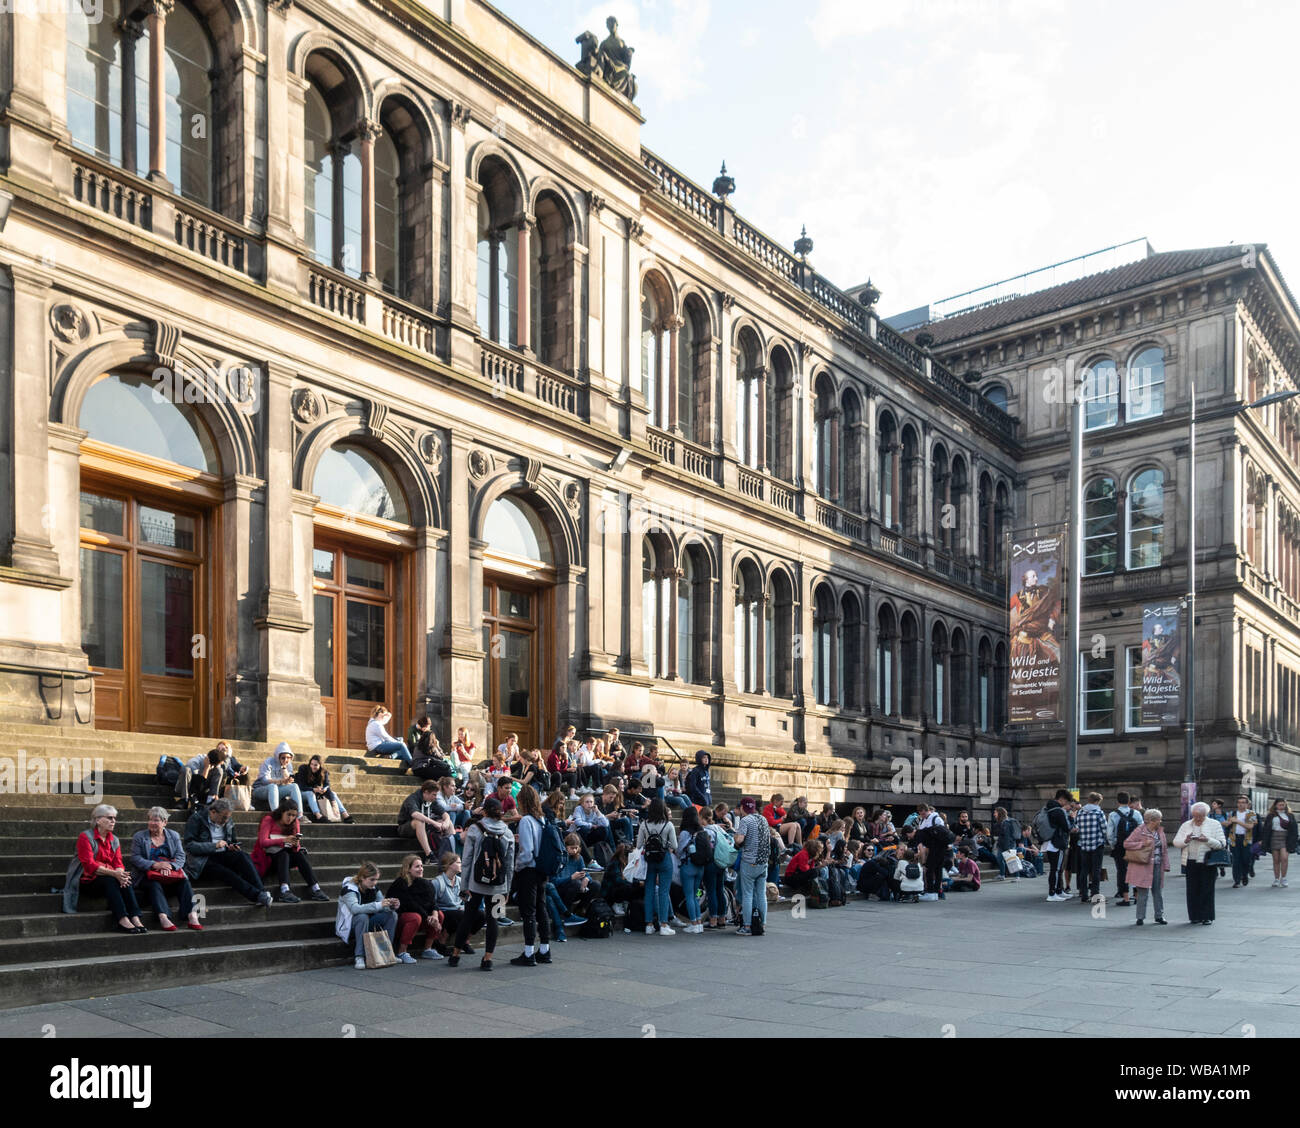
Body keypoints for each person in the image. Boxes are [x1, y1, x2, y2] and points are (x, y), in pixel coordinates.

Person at [450, 796, 515, 970]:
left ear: (484, 811)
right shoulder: (508, 832)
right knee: (494, 918)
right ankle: (488, 959)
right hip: (499, 885)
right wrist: (507, 888)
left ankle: (455, 955)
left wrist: (464, 886)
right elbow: (509, 864)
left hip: (475, 883)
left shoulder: (474, 828)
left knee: (468, 916)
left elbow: (467, 859)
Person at [183, 798, 272, 907]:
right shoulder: (196, 819)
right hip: (202, 860)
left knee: (243, 856)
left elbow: (232, 841)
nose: (226, 820)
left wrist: (232, 846)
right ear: (213, 812)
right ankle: (256, 896)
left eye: (228, 817)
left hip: (222, 854)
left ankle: (262, 892)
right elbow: (189, 846)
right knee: (226, 873)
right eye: (224, 817)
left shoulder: (228, 821)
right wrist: (214, 846)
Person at [75, 805, 147, 933]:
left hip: (108, 877)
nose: (114, 821)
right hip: (89, 880)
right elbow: (89, 865)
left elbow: (118, 862)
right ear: (98, 820)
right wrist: (115, 874)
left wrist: (120, 873)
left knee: (125, 878)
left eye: (114, 818)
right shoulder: (85, 837)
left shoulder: (114, 840)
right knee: (111, 879)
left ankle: (135, 917)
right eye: (110, 818)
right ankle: (122, 919)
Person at [130, 807, 202, 931]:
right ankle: (163, 916)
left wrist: (170, 866)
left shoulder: (173, 835)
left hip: (170, 875)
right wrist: (155, 865)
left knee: (184, 881)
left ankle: (192, 915)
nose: (152, 823)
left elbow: (180, 856)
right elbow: (135, 858)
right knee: (154, 884)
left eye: (156, 820)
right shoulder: (139, 837)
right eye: (150, 820)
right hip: (147, 875)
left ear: (165, 822)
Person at [510, 785, 555, 967]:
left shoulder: (526, 821)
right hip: (543, 869)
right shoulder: (542, 819)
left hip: (529, 870)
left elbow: (527, 852)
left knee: (528, 911)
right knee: (541, 908)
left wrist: (517, 867)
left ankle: (529, 952)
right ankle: (544, 949)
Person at [252, 802, 328, 903]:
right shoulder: (269, 820)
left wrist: (296, 845)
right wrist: (283, 840)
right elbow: (263, 842)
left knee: (299, 854)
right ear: (282, 812)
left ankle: (315, 888)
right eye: (288, 814)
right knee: (283, 854)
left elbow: (296, 848)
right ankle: (284, 891)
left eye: (293, 815)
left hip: (286, 857)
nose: (291, 818)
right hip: (268, 858)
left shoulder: (294, 822)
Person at [336, 861, 399, 971]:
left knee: (391, 915)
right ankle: (359, 956)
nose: (375, 883)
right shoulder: (349, 889)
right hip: (349, 926)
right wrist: (379, 904)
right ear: (362, 878)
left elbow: (381, 904)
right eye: (372, 880)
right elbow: (355, 909)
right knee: (362, 916)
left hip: (368, 924)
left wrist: (391, 905)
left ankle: (387, 952)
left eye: (376, 879)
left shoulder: (373, 888)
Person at [1172, 801, 1227, 924]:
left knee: (1207, 889)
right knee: (1192, 889)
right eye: (1195, 816)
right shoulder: (1186, 825)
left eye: (1200, 816)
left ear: (1205, 815)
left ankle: (1207, 916)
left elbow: (1222, 843)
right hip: (1190, 860)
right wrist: (1185, 840)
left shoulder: (1214, 824)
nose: (1197, 819)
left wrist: (1207, 840)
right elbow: (1176, 842)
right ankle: (1194, 916)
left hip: (1207, 861)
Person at [386, 854, 445, 962]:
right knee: (415, 917)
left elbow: (433, 902)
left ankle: (428, 949)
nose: (421, 869)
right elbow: (411, 904)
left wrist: (435, 916)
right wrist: (428, 917)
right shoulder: (401, 883)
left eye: (422, 866)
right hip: (400, 919)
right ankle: (401, 952)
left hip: (420, 916)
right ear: (408, 869)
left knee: (439, 914)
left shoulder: (424, 883)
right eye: (417, 866)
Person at [636, 798, 678, 935]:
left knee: (649, 891)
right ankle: (664, 924)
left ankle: (649, 925)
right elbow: (675, 845)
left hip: (649, 859)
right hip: (664, 858)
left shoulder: (644, 824)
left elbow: (638, 845)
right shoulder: (668, 825)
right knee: (663, 892)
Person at [1125, 809, 1170, 925]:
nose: (1161, 821)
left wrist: (1166, 864)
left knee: (1158, 891)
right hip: (1143, 865)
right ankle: (1140, 917)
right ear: (1153, 820)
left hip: (1157, 865)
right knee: (1142, 892)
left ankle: (1159, 916)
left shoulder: (1160, 831)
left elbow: (1164, 850)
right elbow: (1127, 843)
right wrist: (1142, 844)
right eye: (1159, 819)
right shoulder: (1140, 830)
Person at [733, 797, 770, 935]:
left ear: (743, 807)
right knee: (761, 894)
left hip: (749, 861)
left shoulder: (745, 820)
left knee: (748, 895)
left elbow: (740, 839)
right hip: (763, 861)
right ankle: (762, 924)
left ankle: (747, 927)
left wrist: (735, 837)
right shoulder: (763, 819)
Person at [398, 780, 454, 862]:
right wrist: (434, 823)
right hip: (405, 828)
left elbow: (445, 814)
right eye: (434, 795)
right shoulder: (412, 798)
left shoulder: (432, 800)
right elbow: (415, 814)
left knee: (449, 823)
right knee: (419, 821)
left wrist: (446, 823)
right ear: (426, 792)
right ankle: (429, 855)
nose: (435, 797)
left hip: (424, 828)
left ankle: (452, 852)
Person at [1107, 792, 1143, 904]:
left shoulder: (1113, 815)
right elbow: (1142, 829)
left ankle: (1126, 898)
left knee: (1122, 871)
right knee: (1136, 870)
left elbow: (1109, 834)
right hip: (1134, 846)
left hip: (1120, 846)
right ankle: (1137, 896)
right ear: (1129, 802)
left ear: (1117, 801)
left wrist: (1114, 845)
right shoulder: (1136, 813)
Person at [675, 805, 706, 933]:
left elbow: (679, 851)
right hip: (700, 867)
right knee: (695, 896)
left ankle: (693, 923)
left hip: (688, 867)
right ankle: (699, 923)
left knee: (689, 896)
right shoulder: (701, 830)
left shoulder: (685, 832)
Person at [296, 754, 352, 823]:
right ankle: (318, 816)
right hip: (302, 794)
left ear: (320, 765)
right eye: (312, 764)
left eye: (315, 765)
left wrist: (332, 801)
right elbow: (301, 786)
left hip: (315, 795)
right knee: (310, 793)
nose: (313, 767)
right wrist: (313, 789)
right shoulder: (303, 769)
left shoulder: (323, 772)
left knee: (333, 794)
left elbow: (327, 785)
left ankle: (345, 815)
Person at [1041, 789, 1073, 901]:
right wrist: (1071, 819)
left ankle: (1059, 890)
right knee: (1056, 869)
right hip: (1057, 843)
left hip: (1048, 842)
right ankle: (1052, 893)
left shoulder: (1047, 808)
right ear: (1062, 799)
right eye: (1067, 801)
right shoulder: (1058, 811)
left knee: (1056, 868)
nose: (1067, 804)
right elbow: (1066, 827)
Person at [252, 743, 304, 812]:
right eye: (283, 757)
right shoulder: (269, 761)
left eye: (288, 757)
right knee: (273, 786)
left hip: (277, 790)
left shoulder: (289, 765)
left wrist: (284, 768)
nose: (285, 760)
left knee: (294, 786)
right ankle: (276, 813)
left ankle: (299, 814)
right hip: (260, 789)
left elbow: (289, 781)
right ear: (278, 756)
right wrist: (280, 781)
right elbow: (264, 780)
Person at [1075, 792, 1107, 904]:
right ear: (1097, 801)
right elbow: (1104, 829)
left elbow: (1077, 827)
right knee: (1096, 870)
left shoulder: (1080, 812)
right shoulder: (1099, 813)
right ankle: (1095, 894)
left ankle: (1083, 894)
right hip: (1097, 844)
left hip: (1083, 845)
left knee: (1084, 870)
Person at [431, 853, 465, 954]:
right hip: (444, 911)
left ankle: (465, 943)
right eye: (458, 862)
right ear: (450, 865)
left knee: (480, 915)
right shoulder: (437, 882)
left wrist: (463, 906)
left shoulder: (460, 881)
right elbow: (432, 902)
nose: (461, 864)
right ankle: (441, 942)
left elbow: (464, 899)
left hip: (457, 910)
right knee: (458, 915)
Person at [178, 744, 229, 809]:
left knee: (220, 770)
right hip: (189, 786)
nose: (222, 763)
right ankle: (184, 800)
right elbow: (197, 785)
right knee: (186, 769)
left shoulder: (215, 764)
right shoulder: (194, 762)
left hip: (202, 788)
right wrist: (206, 768)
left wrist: (215, 795)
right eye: (221, 762)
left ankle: (211, 798)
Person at [1260, 799, 1297, 887]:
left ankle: (1283, 878)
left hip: (1285, 838)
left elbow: (1294, 828)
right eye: (1279, 805)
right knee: (1276, 860)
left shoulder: (1290, 815)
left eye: (1283, 805)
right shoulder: (1271, 816)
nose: (1281, 806)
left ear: (1285, 805)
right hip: (1274, 837)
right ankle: (1276, 879)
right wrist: (1263, 840)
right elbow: (1266, 829)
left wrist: (1294, 840)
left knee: (1284, 858)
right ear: (1275, 805)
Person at [1224, 795, 1259, 888]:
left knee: (1246, 860)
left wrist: (1237, 821)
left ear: (1247, 804)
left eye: (1243, 802)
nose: (1241, 805)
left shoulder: (1251, 814)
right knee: (1236, 860)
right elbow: (1227, 824)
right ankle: (1237, 880)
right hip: (1234, 839)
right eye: (1239, 803)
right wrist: (1228, 822)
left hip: (1246, 839)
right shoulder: (1232, 813)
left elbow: (1250, 826)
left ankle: (1244, 875)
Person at [992, 807, 1022, 881]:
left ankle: (1017, 877)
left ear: (999, 813)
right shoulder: (1001, 822)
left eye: (995, 812)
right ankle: (1002, 875)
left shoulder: (1006, 823)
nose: (994, 814)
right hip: (1002, 844)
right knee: (999, 859)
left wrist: (1008, 847)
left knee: (1012, 860)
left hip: (1008, 845)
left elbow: (1007, 836)